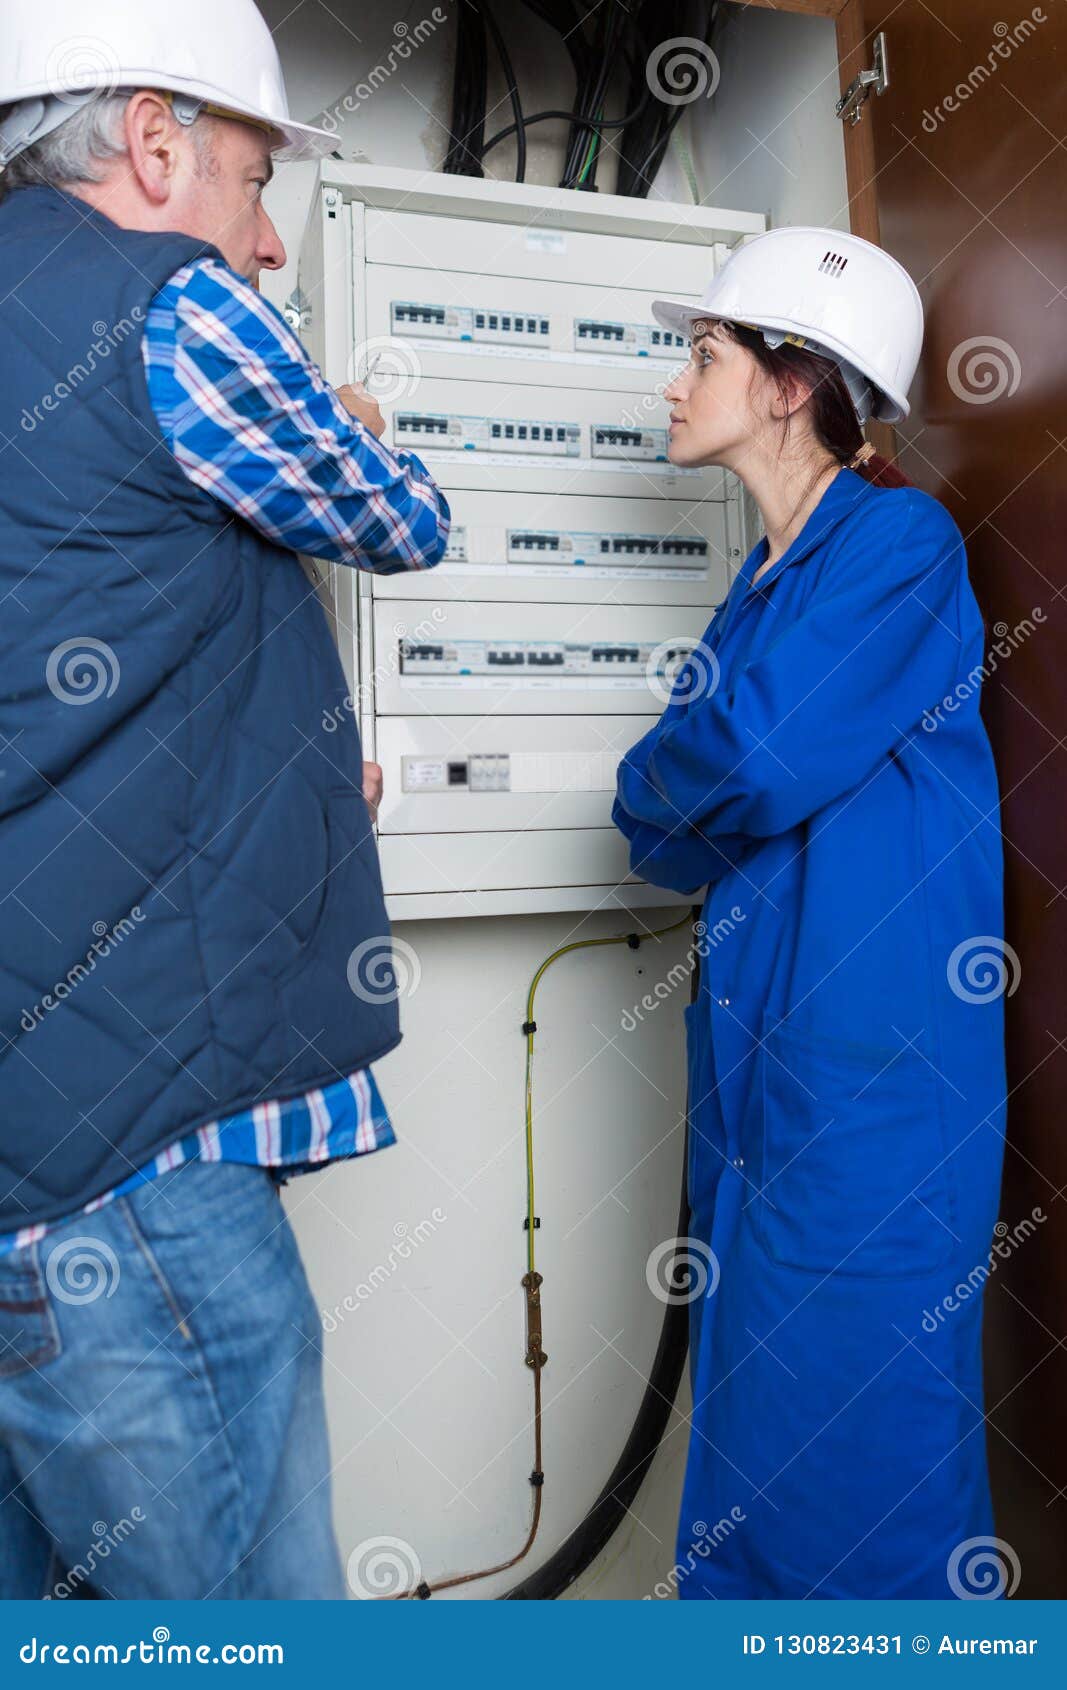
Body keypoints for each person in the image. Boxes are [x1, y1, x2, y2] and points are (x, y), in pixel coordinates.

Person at [0, 0, 448, 1598]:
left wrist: (288, 783)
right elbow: (399, 519)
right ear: (154, 139)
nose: (264, 244)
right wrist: (363, 423)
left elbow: (91, 634)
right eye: (256, 185)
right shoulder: (173, 308)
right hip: (132, 1158)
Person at [613, 227, 1007, 1599]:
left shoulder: (899, 544)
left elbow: (746, 761)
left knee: (869, 1502)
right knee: (758, 1506)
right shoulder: (766, 583)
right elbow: (651, 824)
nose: (676, 381)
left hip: (870, 1108)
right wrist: (700, 764)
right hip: (764, 1103)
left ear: (794, 382)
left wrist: (702, 762)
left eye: (704, 353)